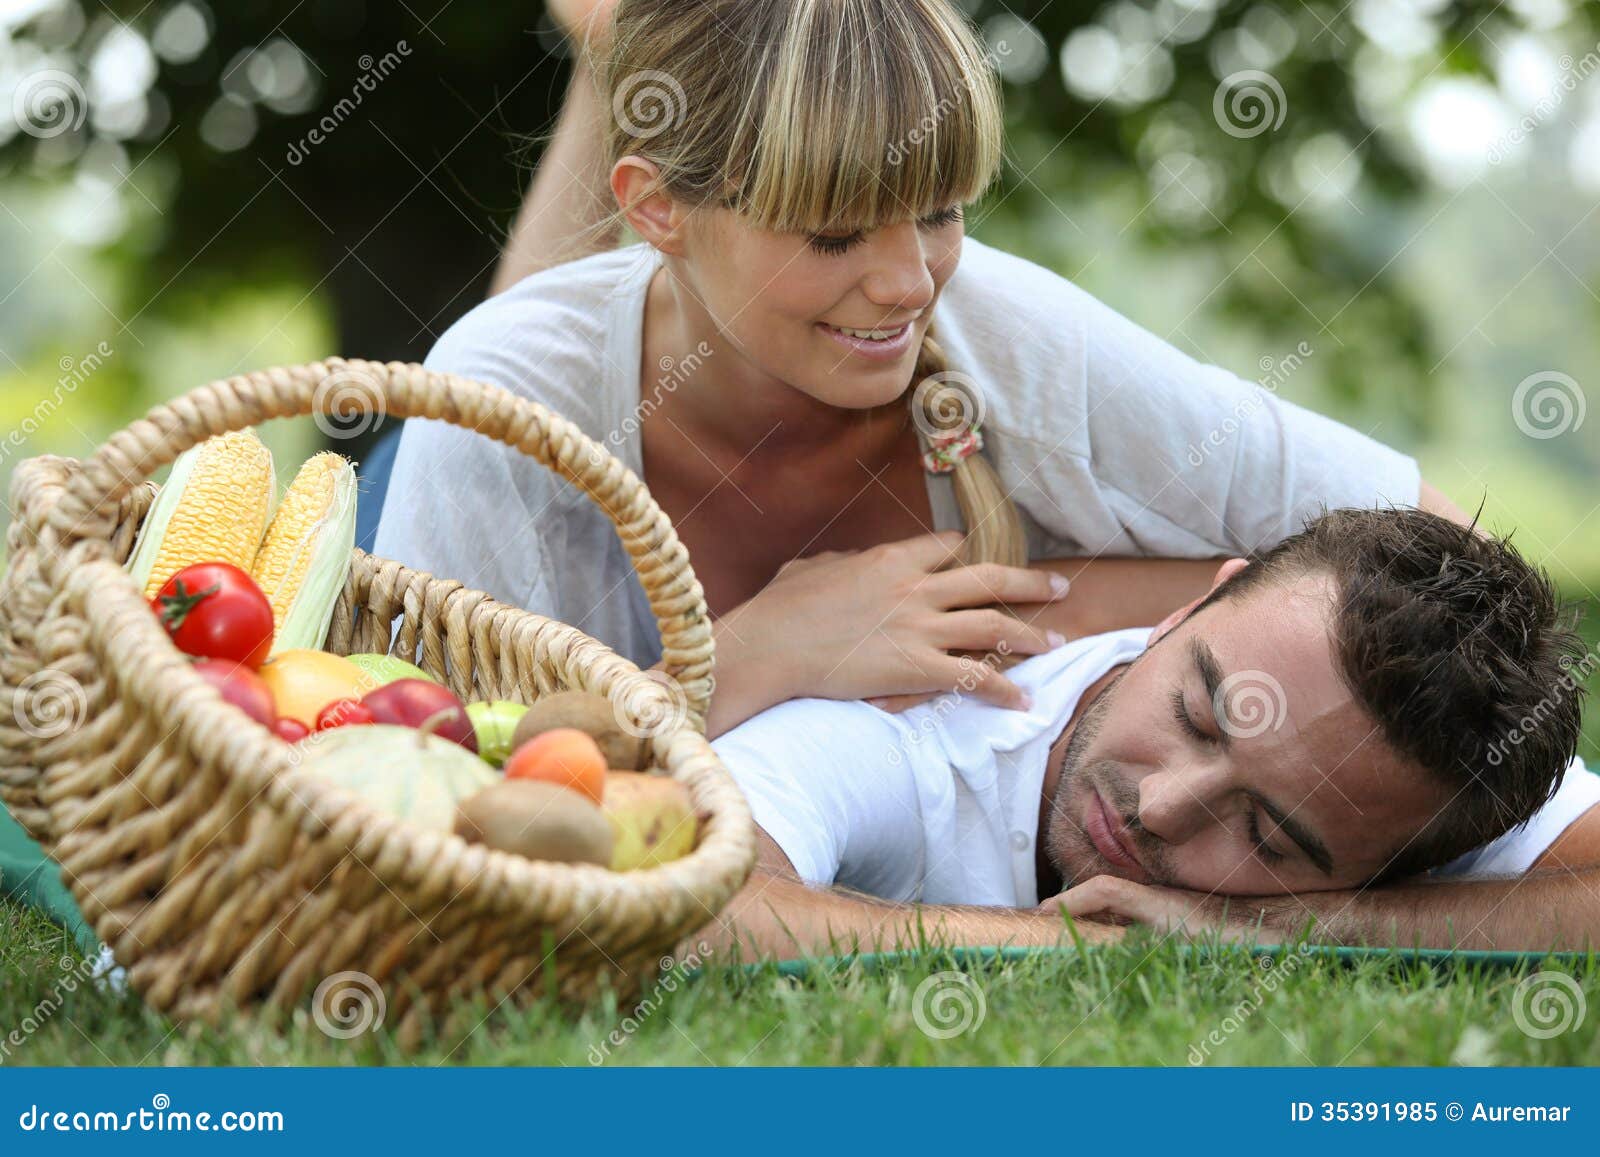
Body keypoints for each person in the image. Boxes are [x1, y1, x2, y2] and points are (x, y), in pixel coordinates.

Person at [372, 0, 1465, 743]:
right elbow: (434, 769)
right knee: (475, 388)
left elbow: (1446, 562)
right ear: (654, 206)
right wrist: (759, 656)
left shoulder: (1019, 344)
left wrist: (1067, 604)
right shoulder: (505, 393)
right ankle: (607, 44)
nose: (908, 282)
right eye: (836, 235)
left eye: (939, 212)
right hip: (411, 476)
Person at [698, 508, 1600, 958]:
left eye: (1269, 836)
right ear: (1189, 607)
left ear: (1405, 864)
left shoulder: (1432, 774)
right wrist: (1057, 938)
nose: (1161, 807)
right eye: (1197, 716)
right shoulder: (910, 731)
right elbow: (670, 895)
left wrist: (1313, 923)